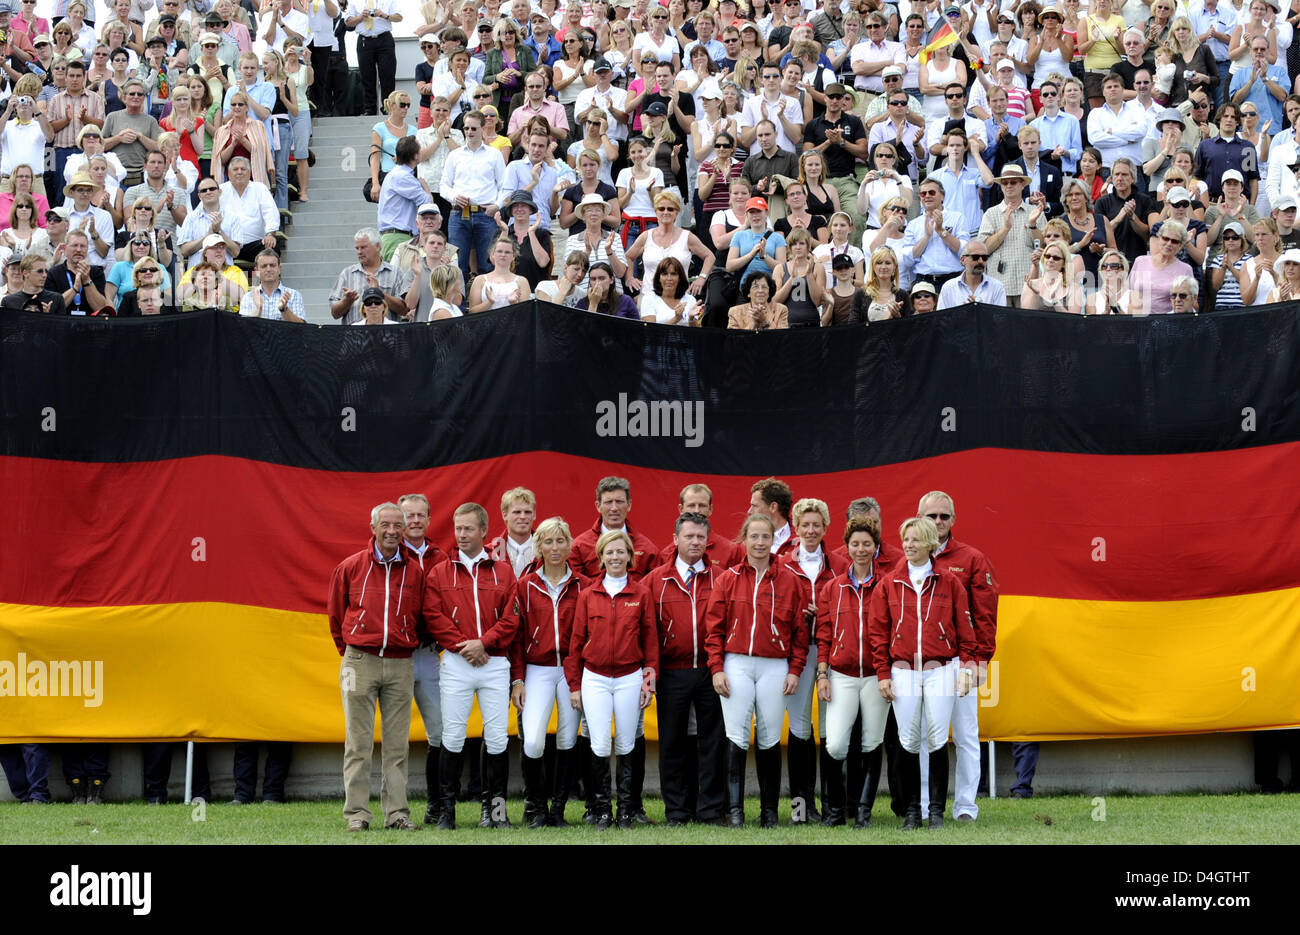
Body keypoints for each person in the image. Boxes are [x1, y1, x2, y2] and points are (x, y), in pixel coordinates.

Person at [866, 516, 975, 831]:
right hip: (903, 671)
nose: (909, 545)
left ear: (929, 543)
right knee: (908, 740)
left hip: (940, 668)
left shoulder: (949, 582)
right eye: (906, 539)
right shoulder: (890, 582)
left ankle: (937, 811)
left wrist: (967, 667)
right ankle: (913, 810)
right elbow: (878, 632)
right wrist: (883, 673)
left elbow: (966, 632)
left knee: (938, 738)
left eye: (915, 539)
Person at [705, 512, 810, 828]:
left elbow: (799, 633)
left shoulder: (790, 580)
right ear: (745, 539)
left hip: (775, 665)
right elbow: (714, 630)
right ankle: (735, 811)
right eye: (754, 536)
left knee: (768, 737)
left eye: (766, 536)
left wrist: (795, 670)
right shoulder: (728, 579)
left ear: (772, 541)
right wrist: (716, 669)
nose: (760, 542)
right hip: (736, 662)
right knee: (736, 736)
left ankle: (769, 812)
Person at [326, 502, 427, 832]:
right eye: (386, 524)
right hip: (359, 661)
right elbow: (336, 615)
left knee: (397, 745)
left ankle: (397, 814)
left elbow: (421, 617)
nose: (392, 531)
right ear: (373, 528)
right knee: (358, 742)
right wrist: (352, 649)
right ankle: (357, 814)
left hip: (400, 664)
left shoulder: (415, 572)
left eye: (398, 525)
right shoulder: (351, 567)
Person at [421, 502, 520, 830]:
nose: (461, 535)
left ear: (483, 531)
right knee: (452, 735)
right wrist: (466, 647)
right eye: (457, 528)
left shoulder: (504, 571)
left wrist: (484, 643)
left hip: (494, 663)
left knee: (497, 738)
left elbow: (512, 618)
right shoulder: (440, 572)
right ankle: (447, 812)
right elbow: (433, 616)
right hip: (456, 662)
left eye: (468, 529)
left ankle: (494, 812)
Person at [645, 511, 727, 826]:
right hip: (671, 672)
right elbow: (648, 631)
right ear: (675, 538)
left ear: (707, 541)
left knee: (712, 743)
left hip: (710, 670)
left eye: (700, 537)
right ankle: (677, 812)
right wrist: (651, 671)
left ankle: (710, 811)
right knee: (672, 745)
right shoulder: (655, 579)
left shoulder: (721, 577)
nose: (695, 542)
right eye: (688, 536)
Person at [509, 516, 585, 827]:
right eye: (548, 541)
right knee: (533, 742)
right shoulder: (525, 586)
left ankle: (558, 811)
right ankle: (535, 808)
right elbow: (516, 637)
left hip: (570, 671)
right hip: (537, 669)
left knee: (568, 739)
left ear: (570, 546)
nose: (555, 547)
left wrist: (579, 676)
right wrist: (517, 679)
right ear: (539, 547)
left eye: (561, 541)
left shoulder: (584, 586)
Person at [815, 516, 888, 827]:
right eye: (855, 544)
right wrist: (821, 674)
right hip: (841, 674)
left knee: (872, 742)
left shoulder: (886, 585)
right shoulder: (832, 588)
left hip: (875, 675)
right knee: (835, 743)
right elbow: (824, 633)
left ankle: (863, 812)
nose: (861, 549)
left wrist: (886, 673)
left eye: (867, 544)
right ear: (846, 547)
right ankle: (834, 811)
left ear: (876, 547)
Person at [439, 110, 506, 290]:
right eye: (466, 128)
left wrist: (496, 206)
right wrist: (454, 196)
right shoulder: (455, 155)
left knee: (487, 264)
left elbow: (504, 186)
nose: (469, 132)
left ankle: (487, 308)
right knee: (456, 265)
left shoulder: (494, 155)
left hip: (485, 213)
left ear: (483, 129)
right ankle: (456, 307)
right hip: (459, 213)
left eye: (474, 128)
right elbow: (443, 185)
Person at [976, 165, 1046, 306]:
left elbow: (1044, 245)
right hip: (999, 285)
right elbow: (984, 249)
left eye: (1013, 182)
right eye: (1005, 182)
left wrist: (1032, 225)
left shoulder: (1035, 211)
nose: (1008, 185)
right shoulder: (991, 213)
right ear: (1001, 186)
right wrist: (1006, 228)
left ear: (1022, 185)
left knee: (1027, 327)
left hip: (1028, 284)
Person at [625, 190, 714, 294]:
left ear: (677, 212)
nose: (666, 212)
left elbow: (710, 257)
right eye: (661, 209)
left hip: (679, 299)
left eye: (670, 209)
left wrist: (701, 278)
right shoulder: (646, 236)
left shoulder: (687, 237)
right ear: (656, 212)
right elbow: (628, 257)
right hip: (649, 296)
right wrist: (629, 278)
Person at [329, 227, 409, 324]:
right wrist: (347, 301)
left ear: (378, 246)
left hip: (387, 335)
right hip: (355, 336)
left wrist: (380, 293)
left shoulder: (395, 273)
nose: (359, 252)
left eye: (363, 247)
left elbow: (405, 310)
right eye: (357, 248)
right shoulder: (347, 274)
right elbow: (335, 314)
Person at [218, 156, 280, 264]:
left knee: (271, 249)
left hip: (254, 244)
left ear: (250, 173)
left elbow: (270, 212)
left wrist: (270, 235)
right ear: (228, 174)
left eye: (243, 169)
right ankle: (221, 281)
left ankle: (258, 281)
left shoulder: (260, 188)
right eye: (235, 169)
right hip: (226, 245)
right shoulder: (220, 190)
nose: (239, 172)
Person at [1128, 219, 1194, 314]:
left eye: (1174, 241)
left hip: (1166, 322)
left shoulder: (1185, 269)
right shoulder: (1140, 261)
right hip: (1137, 319)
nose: (1169, 244)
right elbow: (1129, 292)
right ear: (1159, 238)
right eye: (1166, 238)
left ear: (1180, 246)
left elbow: (1190, 302)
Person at [1095, 157, 1155, 261]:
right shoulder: (1102, 202)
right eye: (1116, 174)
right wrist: (1119, 218)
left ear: (1133, 178)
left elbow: (1148, 236)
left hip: (1137, 260)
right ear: (1112, 178)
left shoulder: (1145, 200)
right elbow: (1100, 235)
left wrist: (1132, 217)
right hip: (1110, 262)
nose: (1120, 178)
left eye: (1124, 174)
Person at [348, 0, 400, 118]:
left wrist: (383, 15)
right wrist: (361, 17)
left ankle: (388, 107)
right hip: (364, 40)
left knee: (387, 75)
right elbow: (349, 22)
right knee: (367, 76)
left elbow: (399, 17)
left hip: (384, 39)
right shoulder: (354, 2)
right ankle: (369, 108)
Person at [44, 229, 108, 316]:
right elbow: (52, 307)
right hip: (62, 324)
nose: (78, 250)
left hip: (89, 324)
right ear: (64, 248)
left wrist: (87, 280)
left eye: (82, 246)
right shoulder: (54, 273)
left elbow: (101, 308)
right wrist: (74, 289)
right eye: (74, 245)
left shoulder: (96, 272)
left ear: (87, 249)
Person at [937, 239, 1009, 308]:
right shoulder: (949, 287)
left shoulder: (997, 287)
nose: (980, 261)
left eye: (984, 257)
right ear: (963, 260)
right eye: (975, 257)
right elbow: (942, 318)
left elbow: (1000, 318)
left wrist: (981, 310)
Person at [238, 249, 303, 322]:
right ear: (256, 271)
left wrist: (284, 310)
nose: (268, 269)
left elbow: (301, 327)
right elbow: (244, 328)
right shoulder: (248, 297)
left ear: (279, 269)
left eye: (272, 265)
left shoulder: (293, 295)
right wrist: (258, 309)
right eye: (264, 266)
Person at [1, 254, 67, 314]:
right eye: (40, 271)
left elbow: (62, 326)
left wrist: (47, 317)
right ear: (26, 273)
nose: (45, 275)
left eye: (46, 271)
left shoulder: (56, 299)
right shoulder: (8, 302)